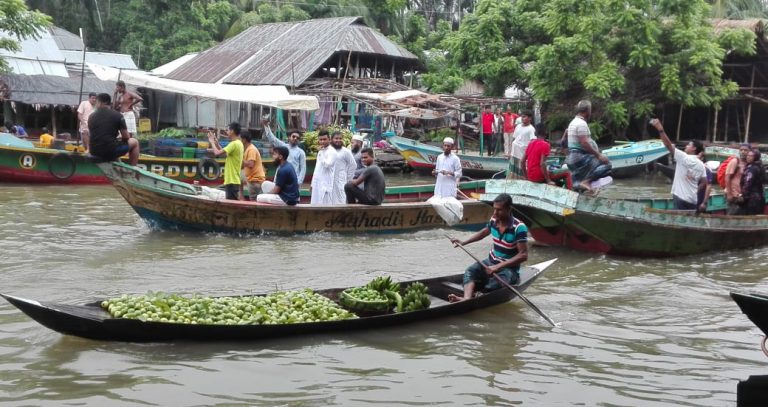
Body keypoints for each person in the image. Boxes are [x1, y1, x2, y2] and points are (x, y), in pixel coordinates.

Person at [447, 193, 528, 302]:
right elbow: (484, 232)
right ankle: (466, 298)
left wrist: (498, 267)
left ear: (509, 209)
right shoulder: (494, 220)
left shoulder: (519, 227)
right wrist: (464, 242)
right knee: (470, 271)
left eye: (499, 210)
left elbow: (523, 255)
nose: (495, 213)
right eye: (494, 209)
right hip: (490, 261)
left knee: (500, 282)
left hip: (509, 269)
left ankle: (477, 296)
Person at [650, 118, 706, 210]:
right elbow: (704, 183)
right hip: (692, 199)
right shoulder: (701, 165)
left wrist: (660, 130)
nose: (686, 146)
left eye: (689, 145)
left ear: (694, 149)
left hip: (680, 198)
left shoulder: (683, 157)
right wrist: (695, 191)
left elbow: (668, 144)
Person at [565, 100, 612, 192]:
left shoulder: (573, 122)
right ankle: (587, 181)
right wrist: (598, 155)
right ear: (587, 111)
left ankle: (582, 189)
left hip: (571, 158)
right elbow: (584, 143)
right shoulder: (581, 124)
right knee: (607, 164)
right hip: (579, 157)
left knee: (579, 182)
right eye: (590, 110)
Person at [87, 93, 139, 166]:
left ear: (101, 102)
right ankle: (133, 169)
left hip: (94, 151)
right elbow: (126, 137)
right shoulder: (118, 115)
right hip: (110, 151)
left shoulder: (91, 116)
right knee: (135, 142)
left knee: (113, 144)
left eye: (97, 102)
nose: (95, 104)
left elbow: (92, 134)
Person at [207, 122, 244, 200]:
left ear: (232, 131)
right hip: (233, 180)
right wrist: (217, 144)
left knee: (232, 206)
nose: (226, 132)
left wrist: (212, 142)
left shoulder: (233, 144)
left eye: (227, 130)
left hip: (232, 180)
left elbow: (216, 153)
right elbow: (225, 154)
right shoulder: (239, 144)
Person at [310, 130, 336, 205]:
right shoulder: (321, 151)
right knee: (314, 205)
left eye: (324, 139)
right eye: (320, 139)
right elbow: (316, 169)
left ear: (329, 139)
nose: (322, 141)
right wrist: (312, 184)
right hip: (317, 184)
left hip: (326, 184)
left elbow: (327, 165)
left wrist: (321, 153)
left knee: (325, 206)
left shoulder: (332, 151)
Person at [330, 131, 356, 204]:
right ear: (331, 139)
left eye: (340, 138)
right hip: (328, 180)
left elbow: (353, 165)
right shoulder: (328, 150)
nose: (338, 140)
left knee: (340, 200)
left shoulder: (346, 151)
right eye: (336, 138)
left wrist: (348, 179)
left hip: (341, 180)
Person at [738, 149, 765, 215]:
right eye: (748, 155)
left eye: (751, 156)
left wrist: (743, 196)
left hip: (751, 199)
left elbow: (748, 183)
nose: (748, 157)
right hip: (759, 196)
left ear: (755, 157)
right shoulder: (760, 166)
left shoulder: (752, 168)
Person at [724, 144, 750, 215]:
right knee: (732, 215)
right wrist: (729, 194)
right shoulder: (735, 161)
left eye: (745, 150)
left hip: (742, 195)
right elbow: (727, 178)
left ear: (750, 152)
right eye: (741, 150)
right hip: (733, 194)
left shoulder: (748, 163)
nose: (743, 152)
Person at [241, 131, 265, 201]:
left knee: (254, 201)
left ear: (244, 139)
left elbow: (251, 164)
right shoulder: (248, 149)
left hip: (255, 180)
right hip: (253, 180)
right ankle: (241, 198)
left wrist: (238, 160)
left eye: (240, 139)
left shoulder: (251, 149)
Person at [510, 111, 536, 176]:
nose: (522, 118)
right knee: (513, 171)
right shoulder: (518, 126)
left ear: (530, 118)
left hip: (522, 154)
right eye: (522, 116)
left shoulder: (531, 129)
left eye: (524, 117)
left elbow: (532, 142)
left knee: (521, 172)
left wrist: (527, 154)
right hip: (514, 153)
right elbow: (514, 138)